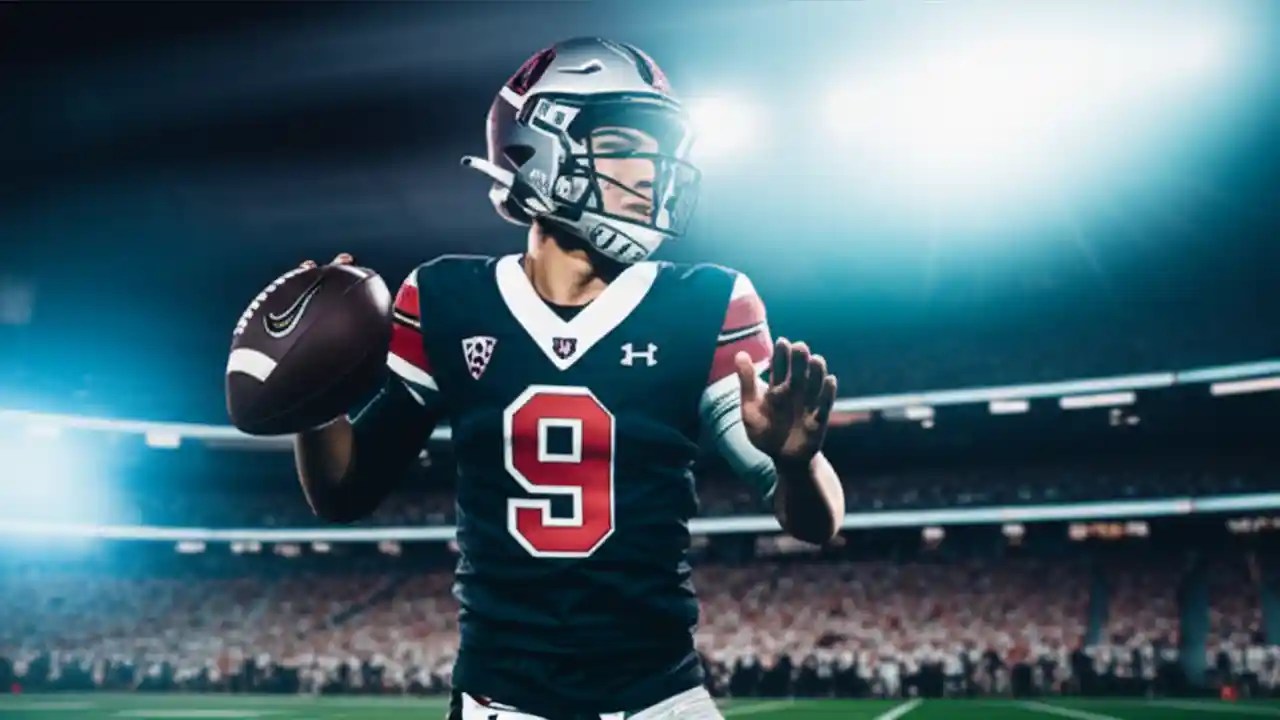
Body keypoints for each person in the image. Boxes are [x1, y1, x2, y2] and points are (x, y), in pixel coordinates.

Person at [292, 37, 844, 720]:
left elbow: (818, 524)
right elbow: (344, 493)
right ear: (536, 147)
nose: (651, 173)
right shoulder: (443, 298)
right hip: (504, 700)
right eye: (623, 145)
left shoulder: (710, 303)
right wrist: (312, 397)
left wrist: (798, 464)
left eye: (656, 151)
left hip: (661, 696)